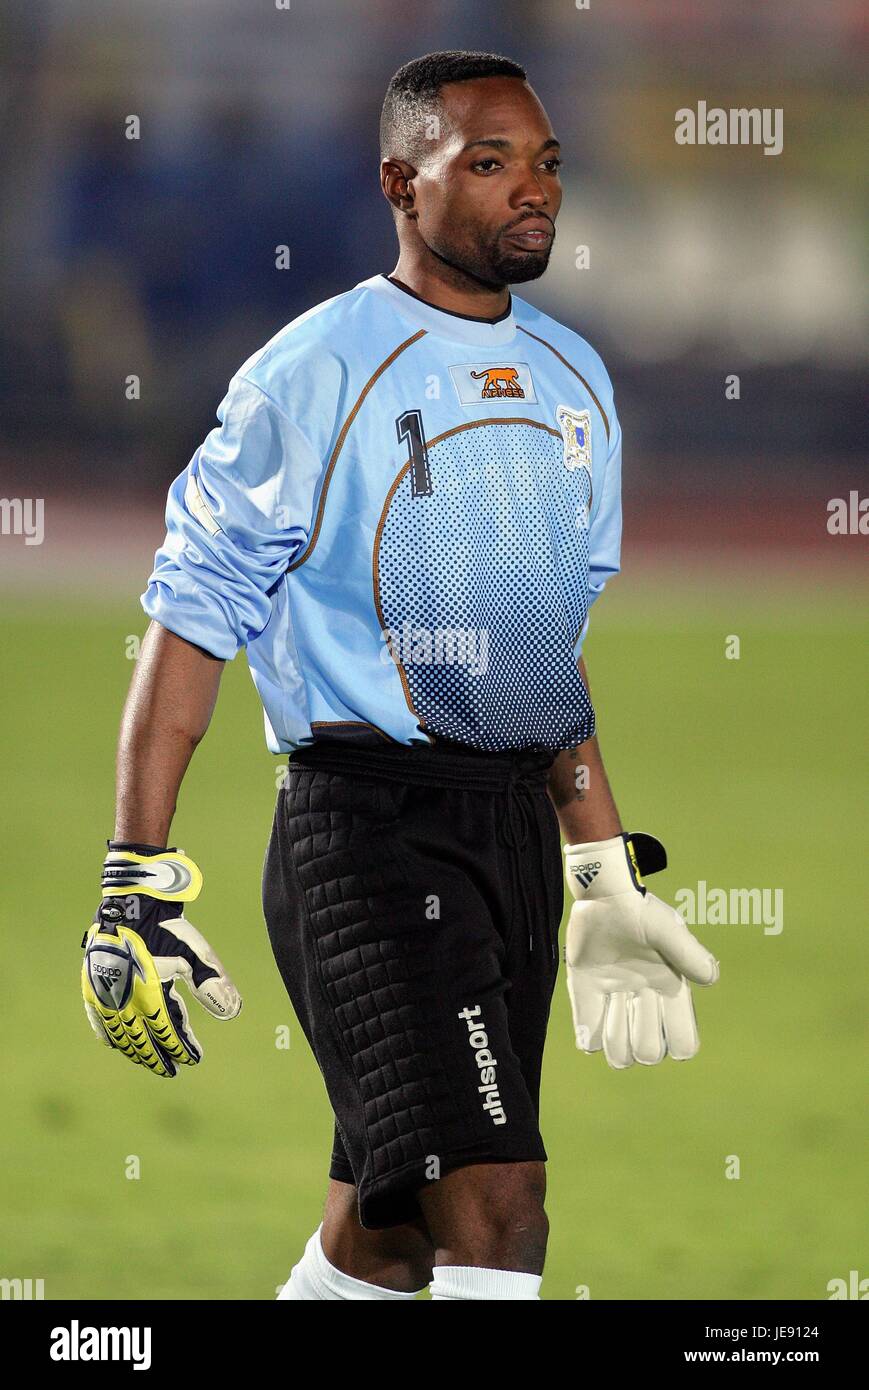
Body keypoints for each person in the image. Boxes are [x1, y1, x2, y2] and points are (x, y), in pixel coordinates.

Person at [81, 50, 719, 1302]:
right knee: (499, 1209)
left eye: (544, 162)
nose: (530, 190)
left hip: (508, 840)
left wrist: (594, 864)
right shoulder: (309, 371)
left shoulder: (576, 380)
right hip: (366, 833)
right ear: (399, 180)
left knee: (388, 1239)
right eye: (487, 163)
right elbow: (189, 618)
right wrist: (130, 876)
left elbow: (540, 649)